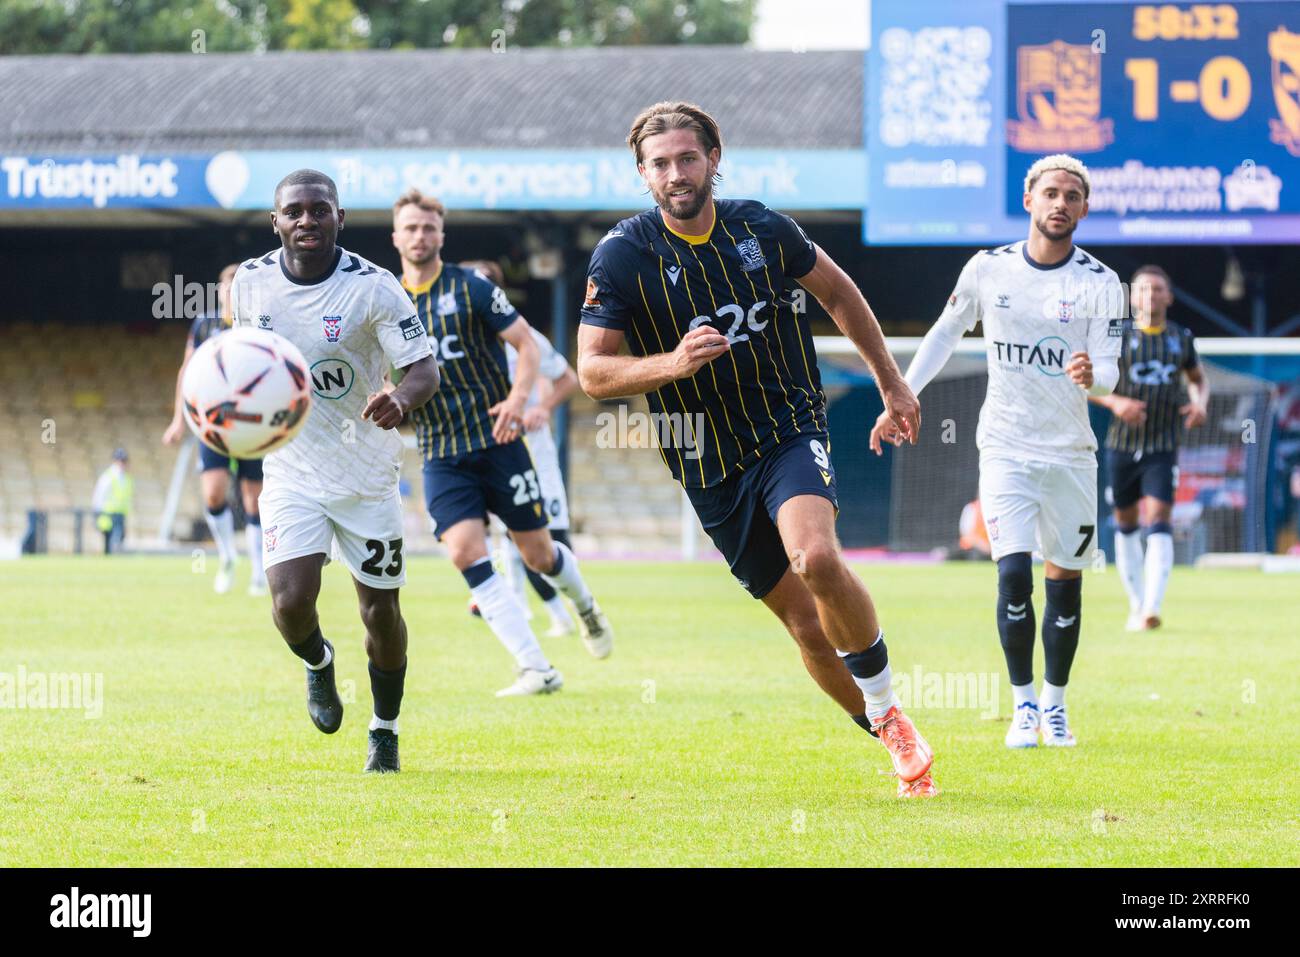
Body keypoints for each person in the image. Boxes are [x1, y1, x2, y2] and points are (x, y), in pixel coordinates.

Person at [576, 101, 935, 798]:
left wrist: (892, 383)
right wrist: (672, 363)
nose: (676, 173)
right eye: (660, 164)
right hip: (707, 458)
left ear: (715, 158)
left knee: (817, 557)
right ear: (642, 175)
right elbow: (592, 372)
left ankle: (889, 711)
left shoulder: (761, 227)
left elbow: (839, 292)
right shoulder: (621, 254)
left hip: (788, 424)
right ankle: (885, 729)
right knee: (805, 624)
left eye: (687, 158)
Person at [871, 154, 1123, 750]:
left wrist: (1095, 377)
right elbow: (945, 333)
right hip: (1005, 447)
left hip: (1070, 454)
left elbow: (1110, 371)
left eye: (1073, 196)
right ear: (1030, 198)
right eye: (1051, 192)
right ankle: (1024, 706)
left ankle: (1057, 705)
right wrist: (901, 393)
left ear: (1084, 209)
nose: (1061, 203)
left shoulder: (1100, 283)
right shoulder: (989, 269)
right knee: (1012, 575)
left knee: (1065, 582)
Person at [230, 169, 439, 773]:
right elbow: (245, 365)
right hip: (292, 470)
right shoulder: (250, 283)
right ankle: (319, 665)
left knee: (380, 612)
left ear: (339, 217)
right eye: (293, 212)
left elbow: (424, 370)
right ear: (276, 222)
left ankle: (385, 727)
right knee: (289, 604)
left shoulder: (375, 288)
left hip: (367, 476)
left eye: (319, 210)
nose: (306, 221)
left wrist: (400, 398)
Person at [391, 190, 613, 697]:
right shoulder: (387, 300)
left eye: (429, 227)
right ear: (396, 237)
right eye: (411, 228)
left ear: (440, 235)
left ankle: (585, 608)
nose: (420, 236)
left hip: (498, 441)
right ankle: (535, 666)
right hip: (441, 451)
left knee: (537, 554)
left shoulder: (470, 287)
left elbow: (526, 344)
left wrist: (517, 400)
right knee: (465, 554)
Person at [462, 259, 580, 637]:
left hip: (535, 453)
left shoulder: (526, 340)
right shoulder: (458, 344)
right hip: (489, 452)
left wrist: (542, 408)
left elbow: (567, 378)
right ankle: (524, 609)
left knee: (551, 539)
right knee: (507, 539)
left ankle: (576, 607)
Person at [1089, 265, 1208, 631]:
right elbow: (1088, 383)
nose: (1150, 296)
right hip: (1122, 445)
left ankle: (1152, 607)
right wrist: (1116, 404)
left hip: (1163, 444)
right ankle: (1136, 603)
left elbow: (1198, 380)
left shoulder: (1180, 338)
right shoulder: (1116, 336)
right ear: (1131, 296)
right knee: (1125, 525)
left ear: (1168, 297)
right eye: (1143, 290)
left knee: (1158, 520)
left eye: (1158, 289)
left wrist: (1199, 403)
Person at [162, 264, 268, 595]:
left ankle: (258, 572)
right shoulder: (204, 324)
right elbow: (187, 370)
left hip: (252, 423)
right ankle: (226, 558)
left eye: (239, 285)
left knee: (255, 501)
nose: (232, 290)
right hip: (213, 422)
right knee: (213, 492)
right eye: (227, 284)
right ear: (220, 290)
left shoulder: (258, 326)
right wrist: (180, 418)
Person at [92, 448, 133, 554]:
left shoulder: (127, 478)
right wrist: (97, 511)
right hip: (108, 513)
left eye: (124, 460)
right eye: (121, 460)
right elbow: (99, 494)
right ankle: (110, 558)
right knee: (110, 538)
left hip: (120, 513)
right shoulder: (108, 476)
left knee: (119, 537)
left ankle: (113, 557)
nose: (122, 463)